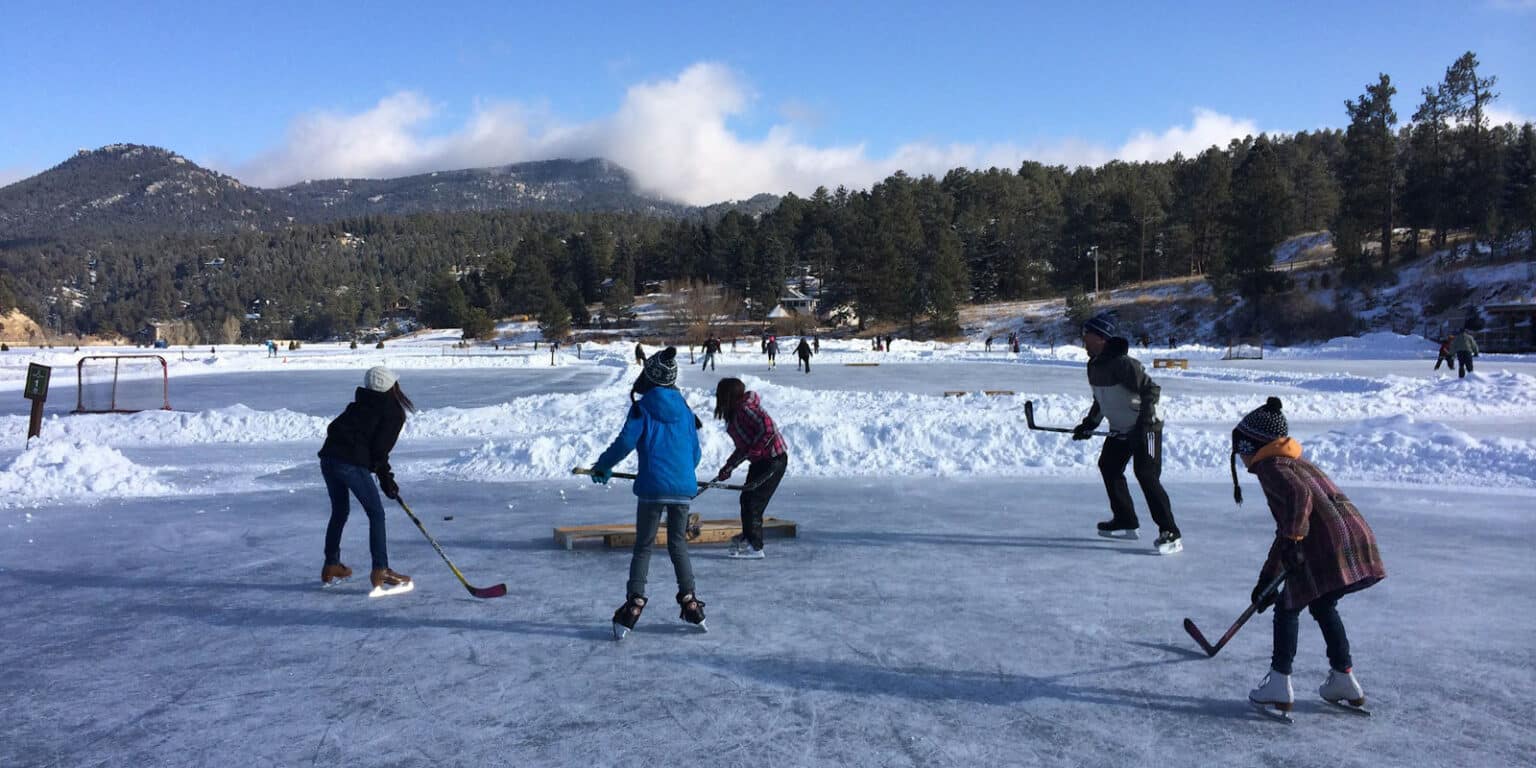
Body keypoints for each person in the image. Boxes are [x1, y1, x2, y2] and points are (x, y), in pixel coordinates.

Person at [1233, 397, 1386, 717]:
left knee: (1288, 607)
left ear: (1254, 445)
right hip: (1354, 540)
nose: (1241, 456)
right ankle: (1344, 679)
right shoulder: (1298, 463)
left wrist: (1290, 543)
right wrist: (1269, 575)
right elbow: (1292, 522)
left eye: (1241, 447)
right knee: (1321, 603)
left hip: (1326, 545)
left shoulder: (1270, 466)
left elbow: (1298, 502)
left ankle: (1278, 683)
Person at [588, 348, 708, 638]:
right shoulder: (686, 410)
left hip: (652, 489)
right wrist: (681, 476)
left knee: (644, 546)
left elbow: (625, 442)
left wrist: (603, 466)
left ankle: (635, 603)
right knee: (677, 544)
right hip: (682, 490)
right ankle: (690, 602)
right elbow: (695, 454)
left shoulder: (642, 408)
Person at [1072, 311, 1182, 554]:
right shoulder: (1094, 366)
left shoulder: (1124, 364)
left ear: (1101, 338)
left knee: (1146, 474)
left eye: (1086, 335)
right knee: (1109, 466)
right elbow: (1102, 400)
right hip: (1121, 429)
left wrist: (1143, 426)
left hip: (1147, 428)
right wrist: (1089, 424)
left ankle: (1170, 531)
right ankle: (1126, 520)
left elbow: (1151, 391)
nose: (1083, 340)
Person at [317, 366, 417, 595]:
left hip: (328, 459)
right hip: (349, 464)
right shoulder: (392, 411)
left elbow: (335, 428)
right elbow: (380, 452)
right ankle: (380, 569)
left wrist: (384, 477)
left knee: (340, 512)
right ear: (392, 386)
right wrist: (386, 480)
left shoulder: (359, 403)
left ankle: (331, 563)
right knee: (376, 513)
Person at [713, 378, 788, 559]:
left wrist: (758, 447)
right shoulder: (736, 413)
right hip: (761, 461)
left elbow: (769, 428)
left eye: (720, 394)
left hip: (773, 459)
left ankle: (755, 547)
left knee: (754, 501)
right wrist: (728, 467)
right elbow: (744, 447)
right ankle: (749, 536)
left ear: (728, 396)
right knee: (747, 498)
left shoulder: (745, 408)